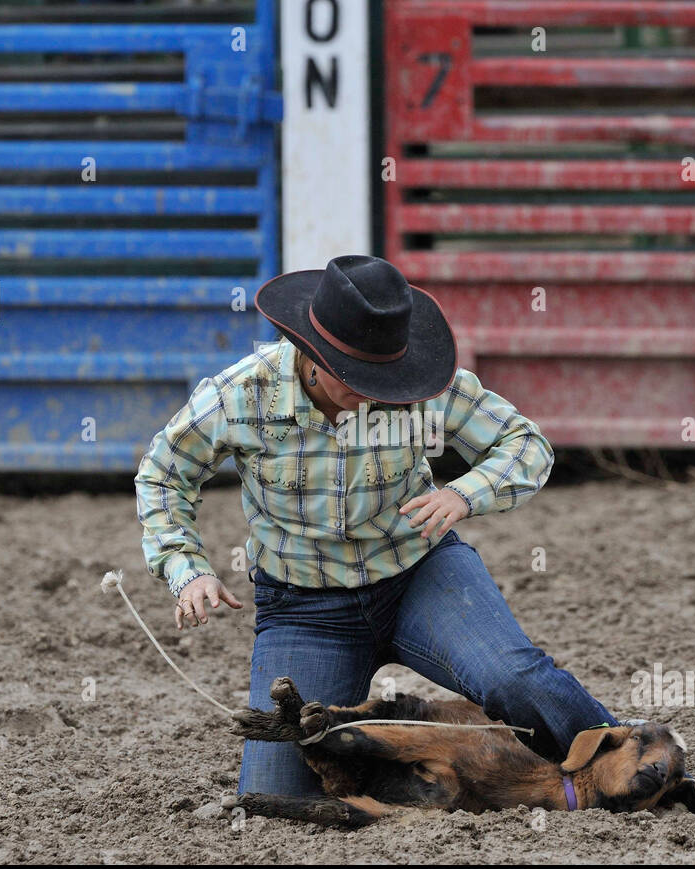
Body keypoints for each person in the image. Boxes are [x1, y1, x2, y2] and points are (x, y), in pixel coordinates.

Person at [135, 254, 618, 797]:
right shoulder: (239, 395)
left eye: (385, 377)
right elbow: (162, 477)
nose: (375, 391)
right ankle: (430, 760)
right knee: (276, 796)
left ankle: (628, 752)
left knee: (514, 678)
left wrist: (465, 492)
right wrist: (186, 569)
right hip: (306, 609)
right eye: (358, 378)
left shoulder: (424, 385)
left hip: (420, 574)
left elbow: (526, 443)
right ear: (310, 356)